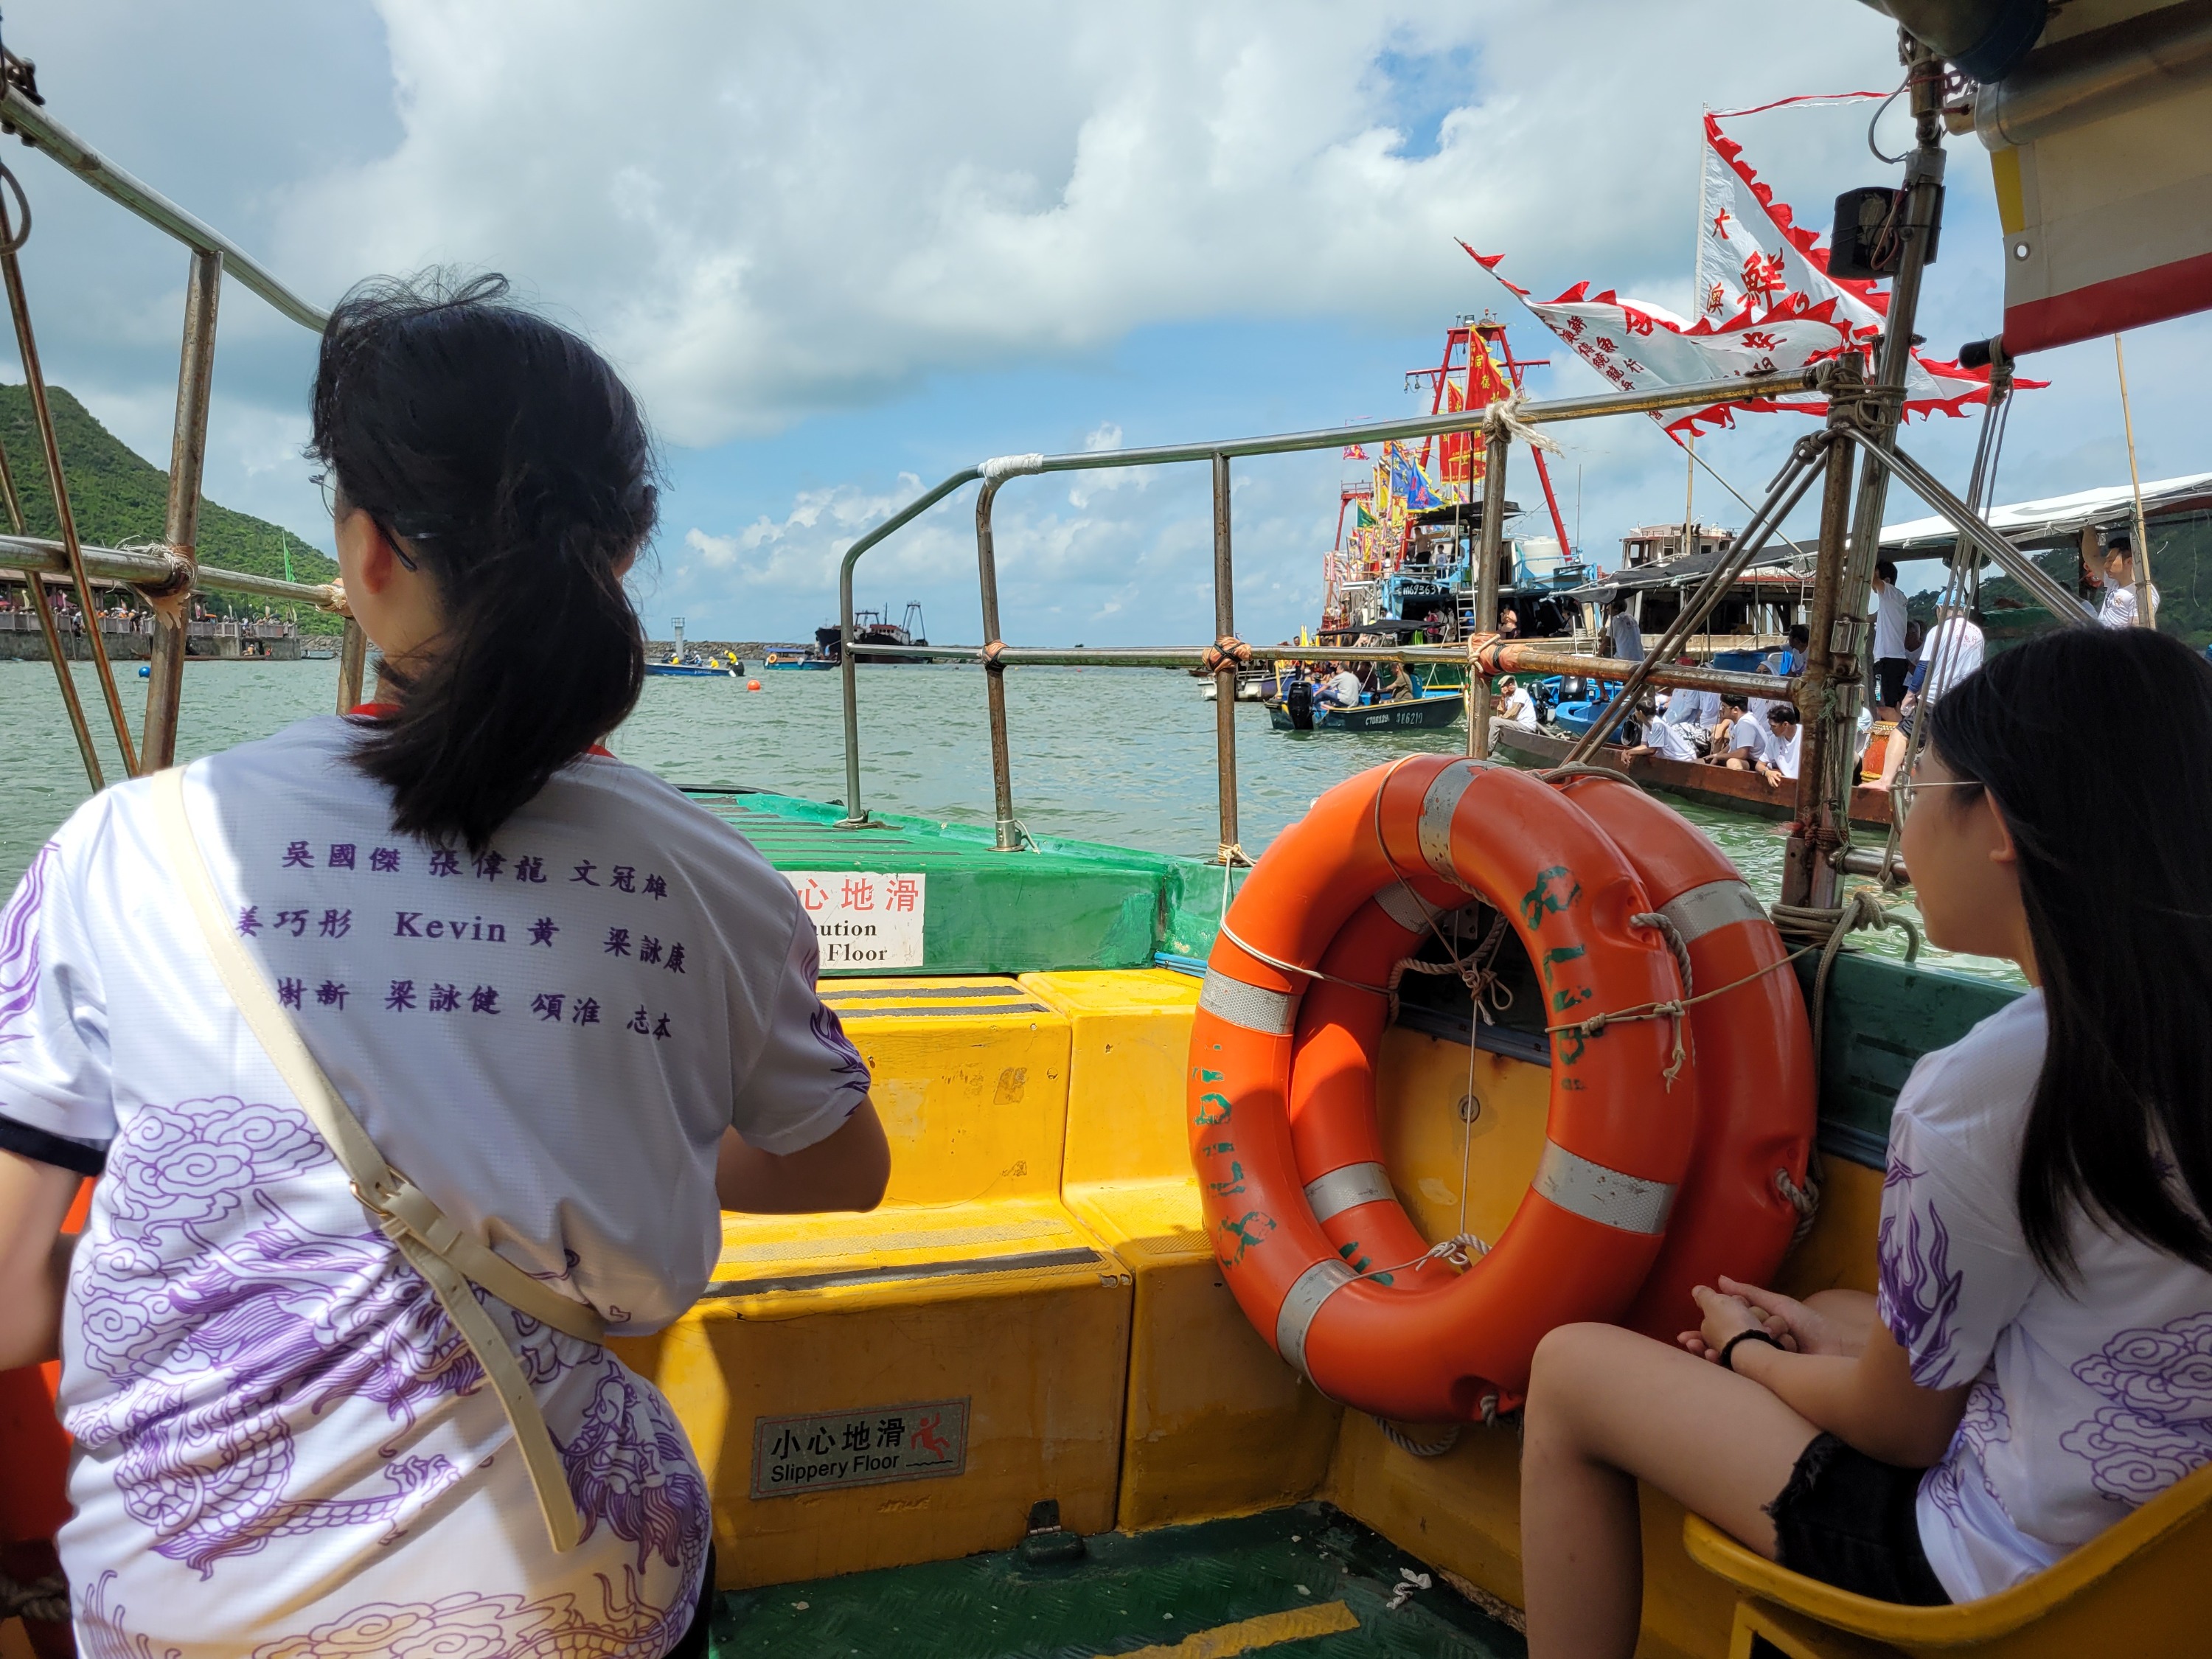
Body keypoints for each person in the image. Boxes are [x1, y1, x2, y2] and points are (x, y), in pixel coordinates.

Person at [0, 276, 892, 1655]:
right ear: (622, 554)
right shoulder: (720, 880)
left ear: (363, 551)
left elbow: (8, 1303)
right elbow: (848, 1167)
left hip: (190, 1613)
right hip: (585, 1594)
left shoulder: (126, 848)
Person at [1520, 626, 2212, 1655]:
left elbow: (1902, 1428)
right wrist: (1811, 1338)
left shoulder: (1988, 1086)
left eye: (1922, 782)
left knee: (1571, 1369)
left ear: (2004, 824)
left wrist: (1749, 1353)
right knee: (1840, 1311)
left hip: (2000, 1579)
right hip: (2167, 1572)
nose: (1901, 815)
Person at [1877, 607, 1987, 790]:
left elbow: (1923, 667)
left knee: (1901, 734)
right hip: (1963, 701)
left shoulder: (1939, 630)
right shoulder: (1977, 634)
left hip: (1935, 698)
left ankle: (1885, 781)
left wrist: (1910, 695)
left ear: (1940, 609)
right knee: (1947, 744)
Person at [2096, 532, 2160, 630]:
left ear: (2129, 562)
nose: (2105, 566)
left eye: (2110, 561)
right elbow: (2091, 557)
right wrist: (2088, 527)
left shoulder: (2143, 592)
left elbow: (2135, 631)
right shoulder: (2114, 581)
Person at [1871, 558, 1911, 716]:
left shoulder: (1889, 593)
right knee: (1894, 705)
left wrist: (1869, 561)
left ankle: (1897, 738)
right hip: (1896, 661)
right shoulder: (1894, 600)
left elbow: (1873, 580)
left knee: (1882, 706)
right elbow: (1873, 617)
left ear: (1886, 581)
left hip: (1886, 660)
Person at [1755, 702, 1801, 787]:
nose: (1770, 729)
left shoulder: (1805, 736)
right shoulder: (1773, 740)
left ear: (1785, 725)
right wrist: (1767, 772)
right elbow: (1759, 765)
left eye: (1773, 726)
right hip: (1784, 785)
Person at [1605, 594, 1642, 662]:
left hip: (1624, 659)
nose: (1607, 610)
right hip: (1640, 658)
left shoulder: (1616, 620)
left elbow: (1606, 641)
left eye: (1609, 608)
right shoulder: (1632, 618)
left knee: (1607, 656)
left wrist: (1598, 655)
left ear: (1616, 609)